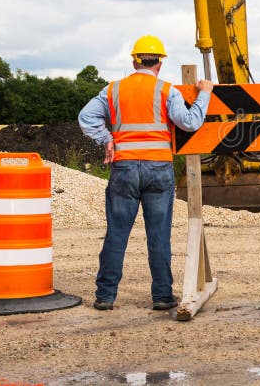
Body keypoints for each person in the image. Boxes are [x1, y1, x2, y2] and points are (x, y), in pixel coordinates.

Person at [78, 35, 213, 311]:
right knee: (158, 235)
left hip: (124, 168)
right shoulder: (167, 90)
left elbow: (86, 117)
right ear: (160, 63)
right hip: (158, 169)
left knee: (117, 234)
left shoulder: (113, 90)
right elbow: (189, 122)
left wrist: (107, 139)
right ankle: (162, 296)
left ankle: (105, 296)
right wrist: (205, 93)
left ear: (134, 60)